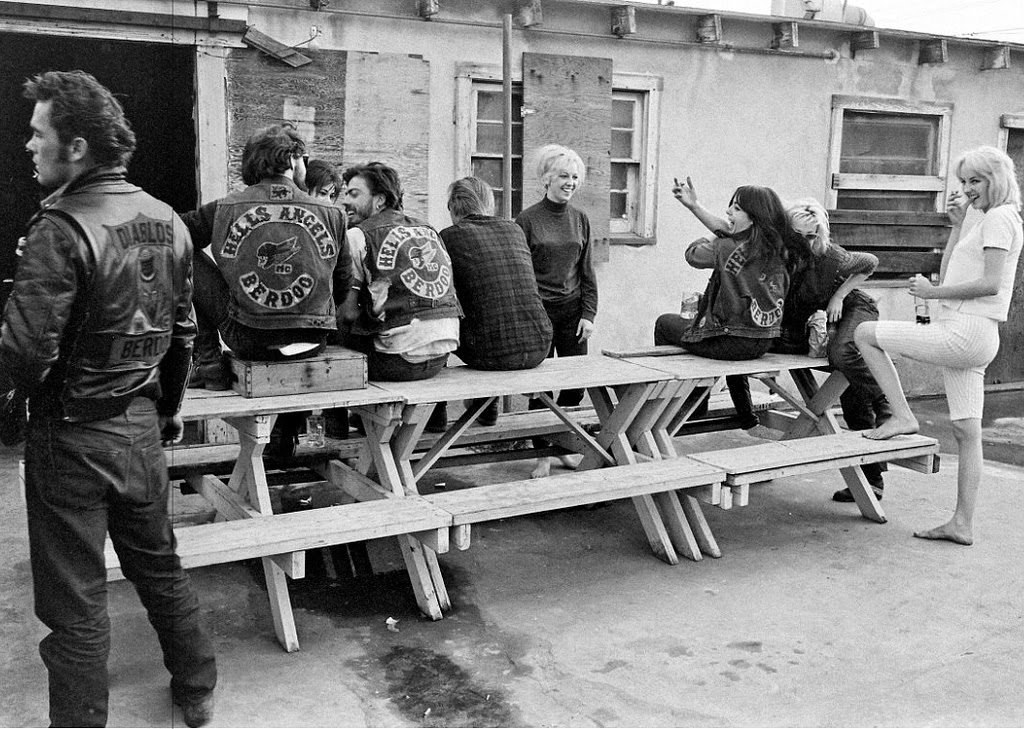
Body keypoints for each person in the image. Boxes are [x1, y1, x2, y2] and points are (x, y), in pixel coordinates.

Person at [0, 70, 216, 727]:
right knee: (159, 566)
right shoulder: (166, 223)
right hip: (141, 428)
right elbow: (184, 333)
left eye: (39, 136)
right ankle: (199, 687)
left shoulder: (59, 229)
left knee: (75, 601)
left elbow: (23, 353)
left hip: (71, 435)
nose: (28, 147)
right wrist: (169, 410)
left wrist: (13, 415)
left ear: (76, 147)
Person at [854, 146, 1023, 546]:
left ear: (996, 179)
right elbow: (951, 271)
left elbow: (990, 284)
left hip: (965, 333)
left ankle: (901, 416)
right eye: (963, 182)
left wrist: (932, 292)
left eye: (975, 181)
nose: (967, 189)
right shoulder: (985, 219)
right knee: (967, 433)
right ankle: (961, 524)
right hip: (972, 335)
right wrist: (956, 226)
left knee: (865, 334)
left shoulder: (1000, 217)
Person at [182, 125, 350, 455]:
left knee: (183, 253)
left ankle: (207, 363)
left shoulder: (225, 208)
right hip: (313, 343)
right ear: (294, 161)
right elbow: (342, 287)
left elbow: (174, 233)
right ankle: (284, 432)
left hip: (249, 341)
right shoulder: (333, 213)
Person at [655, 177, 800, 437]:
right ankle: (747, 419)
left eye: (735, 208)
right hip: (762, 341)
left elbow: (693, 254)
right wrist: (695, 207)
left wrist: (718, 232)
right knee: (734, 333)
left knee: (665, 324)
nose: (727, 212)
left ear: (753, 216)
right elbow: (742, 236)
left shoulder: (724, 247)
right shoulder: (781, 248)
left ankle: (692, 403)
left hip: (730, 344)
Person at [776, 199, 892, 502]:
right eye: (799, 235)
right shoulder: (783, 256)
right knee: (850, 385)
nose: (806, 242)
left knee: (844, 356)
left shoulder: (831, 256)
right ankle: (871, 482)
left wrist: (839, 295)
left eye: (812, 235)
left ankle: (888, 405)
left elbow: (869, 262)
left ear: (821, 234)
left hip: (855, 309)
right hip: (826, 325)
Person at [436, 177, 552, 426]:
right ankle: (485, 408)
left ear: (453, 209)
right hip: (539, 344)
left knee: (441, 321)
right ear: (489, 204)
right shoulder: (514, 230)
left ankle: (438, 413)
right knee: (490, 314)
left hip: (487, 353)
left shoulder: (448, 237)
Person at [515, 144, 598, 478]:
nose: (570, 182)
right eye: (564, 175)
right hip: (539, 313)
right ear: (546, 178)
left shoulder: (580, 219)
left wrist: (589, 314)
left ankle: (561, 447)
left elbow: (587, 271)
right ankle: (543, 456)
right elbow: (520, 272)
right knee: (541, 388)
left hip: (572, 311)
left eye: (575, 177)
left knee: (575, 384)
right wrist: (528, 315)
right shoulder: (528, 219)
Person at [339, 161, 461, 383]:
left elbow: (347, 314)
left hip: (396, 360)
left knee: (334, 345)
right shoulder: (427, 229)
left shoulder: (357, 236)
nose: (345, 200)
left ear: (380, 200)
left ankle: (336, 417)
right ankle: (436, 418)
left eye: (354, 194)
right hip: (441, 355)